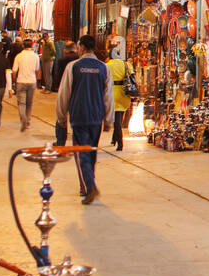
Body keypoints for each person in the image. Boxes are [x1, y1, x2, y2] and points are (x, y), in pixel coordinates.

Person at [55, 35, 113, 205]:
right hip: (96, 118)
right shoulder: (103, 68)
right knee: (92, 153)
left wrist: (61, 117)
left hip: (79, 116)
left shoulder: (73, 67)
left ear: (81, 47)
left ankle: (89, 186)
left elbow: (63, 94)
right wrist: (108, 119)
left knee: (82, 154)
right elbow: (108, 96)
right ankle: (88, 185)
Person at [105, 37, 130, 151]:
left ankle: (120, 143)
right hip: (123, 94)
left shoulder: (107, 65)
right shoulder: (126, 65)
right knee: (118, 118)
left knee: (117, 121)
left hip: (111, 94)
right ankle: (114, 139)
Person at [12, 38, 41, 132]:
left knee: (21, 103)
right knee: (29, 103)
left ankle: (23, 119)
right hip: (32, 81)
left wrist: (13, 81)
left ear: (23, 46)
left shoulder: (19, 56)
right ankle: (27, 122)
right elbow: (37, 70)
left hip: (21, 81)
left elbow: (14, 71)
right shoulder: (35, 56)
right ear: (32, 46)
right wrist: (36, 80)